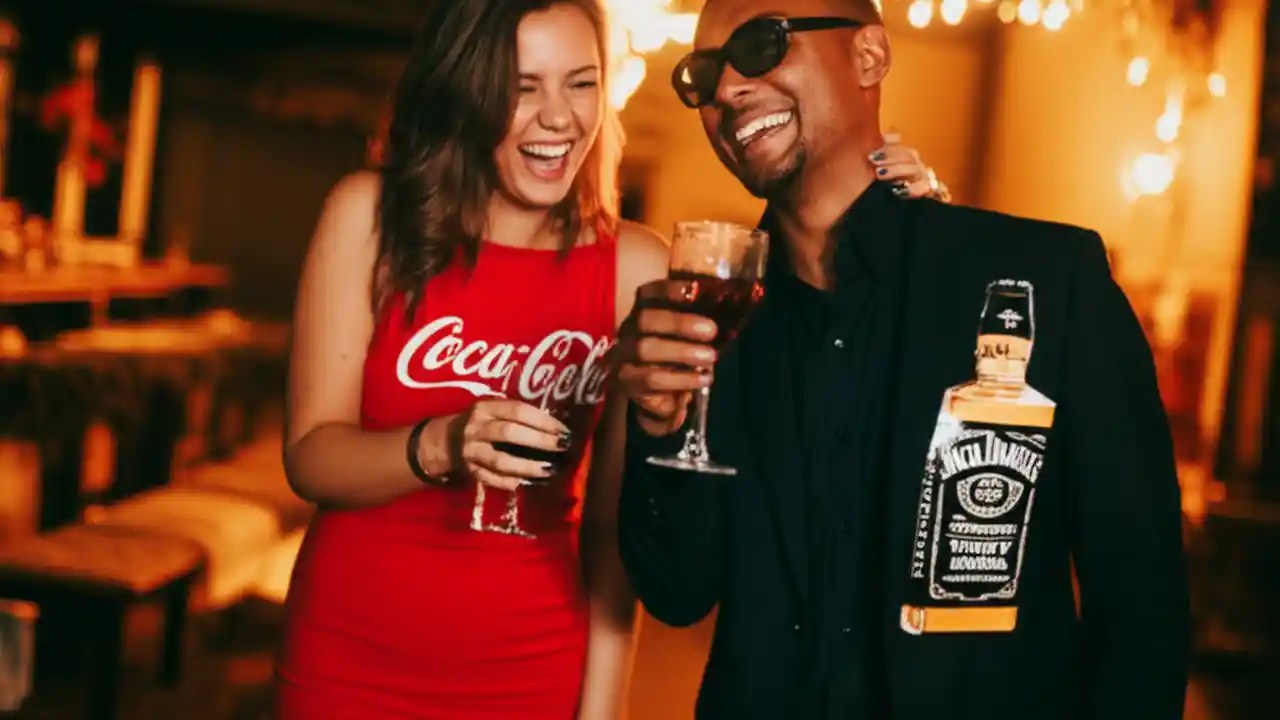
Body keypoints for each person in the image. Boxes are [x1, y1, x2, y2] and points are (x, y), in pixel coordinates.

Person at [276, 0, 945, 717]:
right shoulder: (367, 216)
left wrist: (907, 232)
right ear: (464, 87)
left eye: (581, 82)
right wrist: (443, 441)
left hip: (533, 665)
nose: (559, 117)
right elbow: (312, 456)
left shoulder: (636, 263)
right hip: (347, 659)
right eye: (521, 85)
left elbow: (609, 531)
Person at [614, 1, 1191, 719]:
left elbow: (1140, 604)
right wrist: (659, 426)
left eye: (762, 44)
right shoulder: (711, 322)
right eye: (702, 74)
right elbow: (676, 592)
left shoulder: (1046, 278)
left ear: (869, 57)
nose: (727, 88)